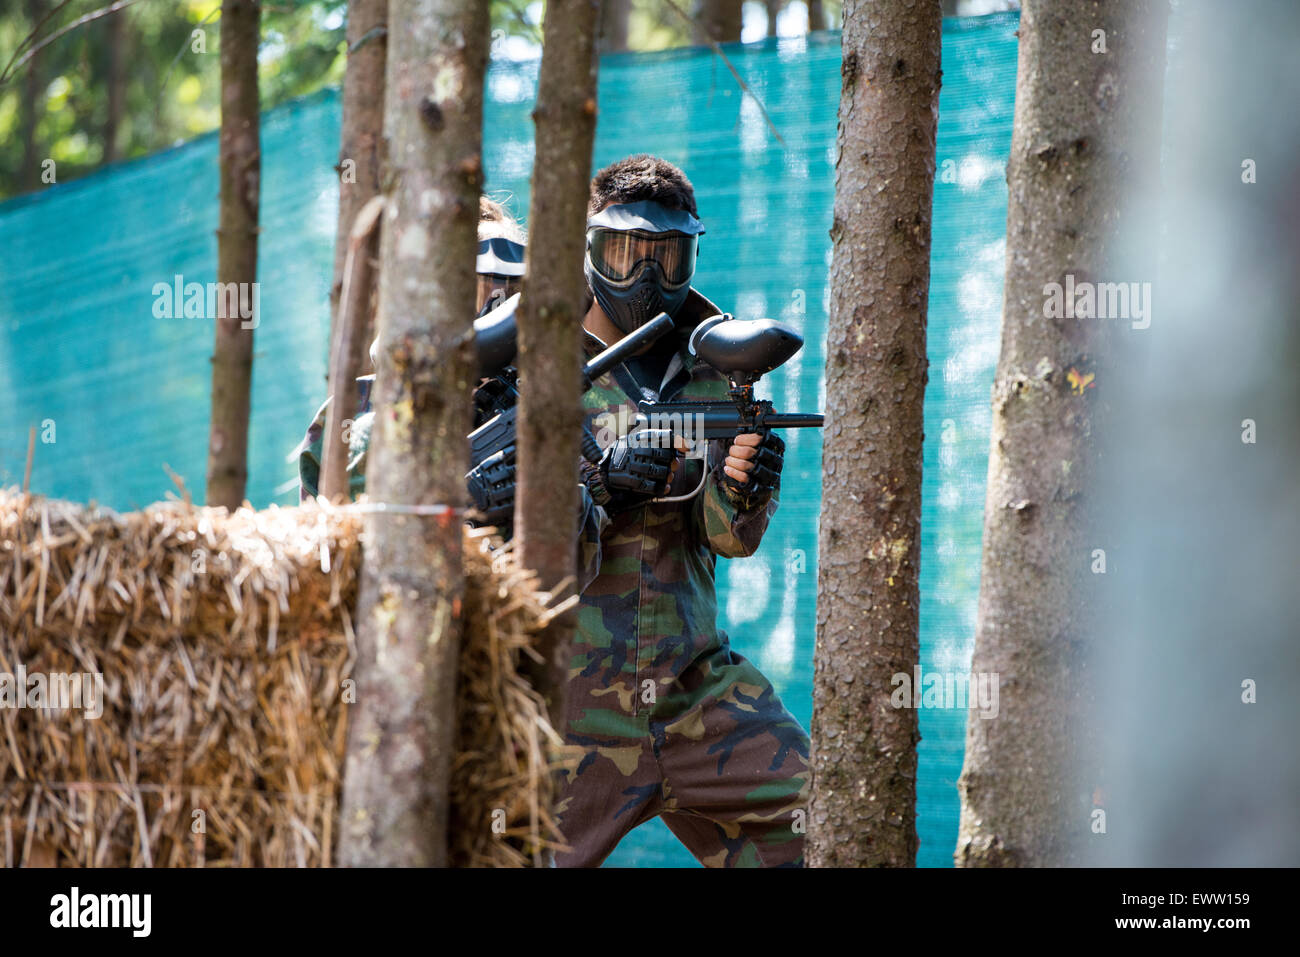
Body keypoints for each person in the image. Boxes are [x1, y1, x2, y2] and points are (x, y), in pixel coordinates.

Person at [555, 154, 809, 868]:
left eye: (668, 257)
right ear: (591, 249)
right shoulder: (539, 355)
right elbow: (501, 534)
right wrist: (598, 485)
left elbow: (730, 538)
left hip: (696, 688)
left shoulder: (719, 363)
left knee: (827, 826)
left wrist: (745, 481)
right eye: (625, 252)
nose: (644, 276)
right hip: (567, 698)